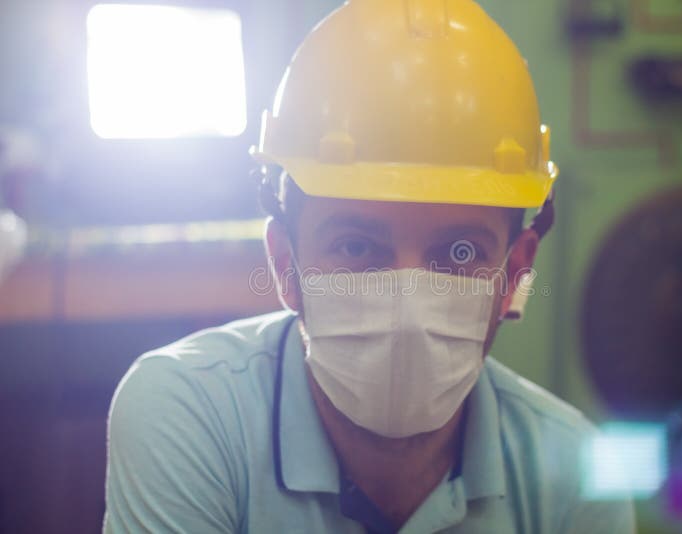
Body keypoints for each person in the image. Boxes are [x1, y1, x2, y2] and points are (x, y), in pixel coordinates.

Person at [103, 1, 636, 532]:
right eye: (357, 248)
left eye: (460, 252)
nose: (408, 310)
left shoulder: (574, 480)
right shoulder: (188, 416)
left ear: (514, 274)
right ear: (286, 264)